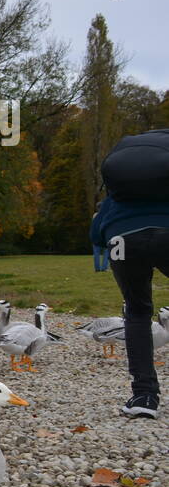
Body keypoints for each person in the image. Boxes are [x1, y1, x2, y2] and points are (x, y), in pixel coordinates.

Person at [90, 128, 169, 417]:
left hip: (121, 241)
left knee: (136, 312)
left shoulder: (119, 192)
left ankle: (144, 398)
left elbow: (97, 232)